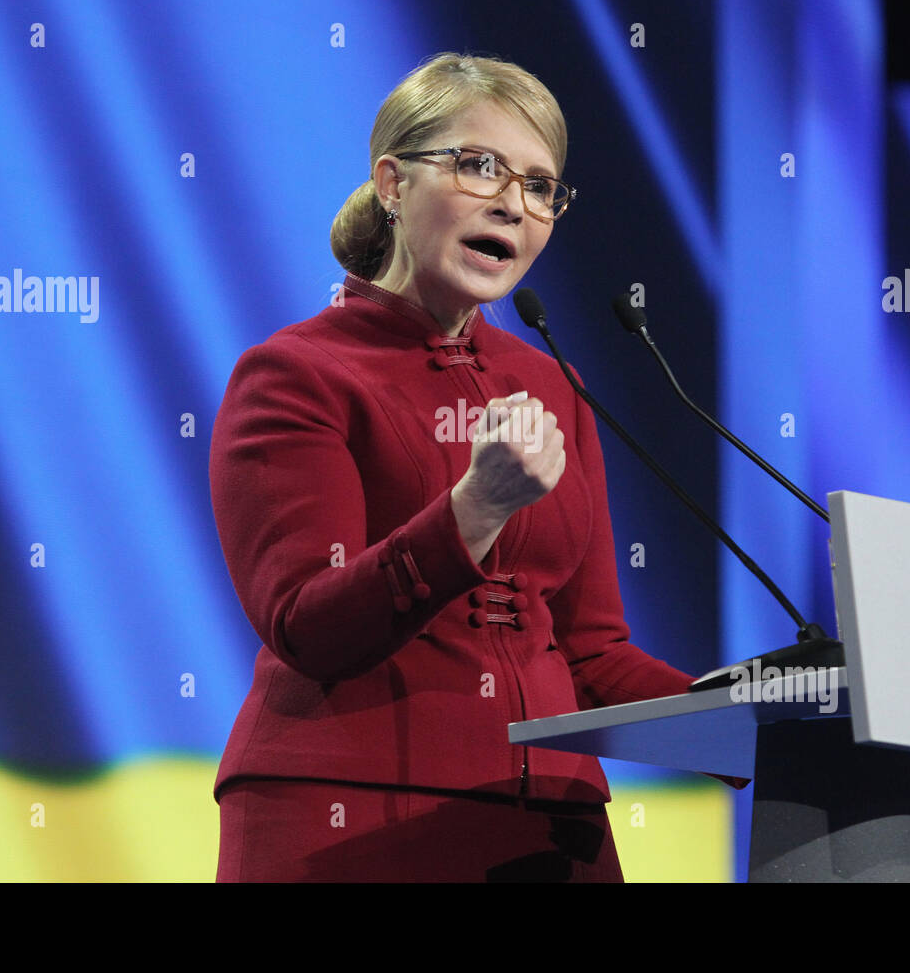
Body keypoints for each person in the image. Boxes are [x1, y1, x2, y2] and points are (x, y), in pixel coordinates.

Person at [209, 51, 745, 883]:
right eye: (477, 165)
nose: (512, 202)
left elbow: (590, 649)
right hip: (348, 819)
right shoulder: (295, 374)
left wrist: (739, 724)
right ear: (391, 183)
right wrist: (474, 511)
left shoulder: (550, 385)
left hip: (552, 835)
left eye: (539, 186)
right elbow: (307, 623)